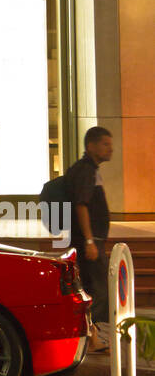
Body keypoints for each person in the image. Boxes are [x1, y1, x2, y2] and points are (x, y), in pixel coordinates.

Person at [67, 126, 113, 353]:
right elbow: (82, 205)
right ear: (90, 146)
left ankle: (91, 337)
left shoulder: (87, 169)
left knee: (88, 288)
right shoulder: (86, 171)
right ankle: (97, 338)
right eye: (105, 143)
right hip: (89, 241)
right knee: (99, 290)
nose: (110, 148)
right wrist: (89, 241)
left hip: (88, 240)